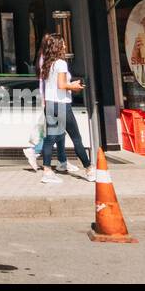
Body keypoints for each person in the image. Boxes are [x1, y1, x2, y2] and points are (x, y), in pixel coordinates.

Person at [36, 32, 95, 184]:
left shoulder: (48, 63)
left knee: (50, 139)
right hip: (62, 105)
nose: (65, 45)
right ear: (58, 46)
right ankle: (89, 169)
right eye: (62, 43)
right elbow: (61, 85)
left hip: (50, 104)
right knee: (76, 138)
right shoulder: (61, 63)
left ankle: (47, 172)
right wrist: (74, 86)